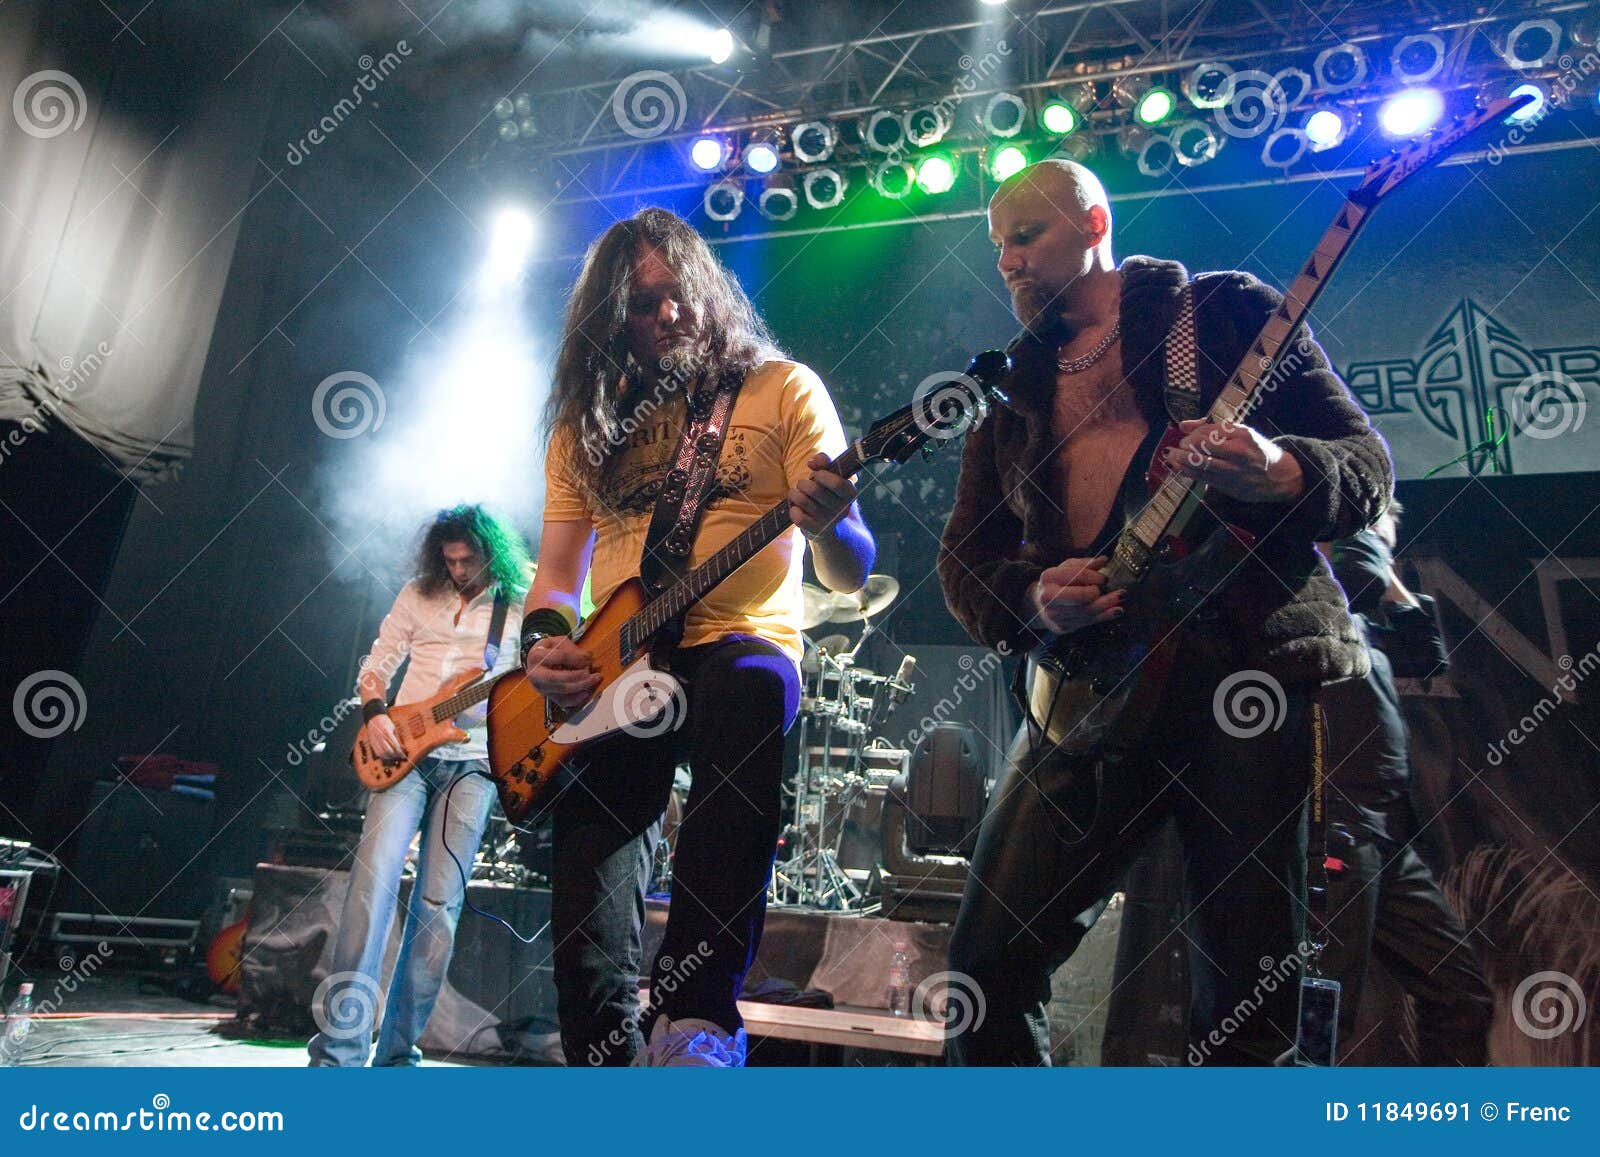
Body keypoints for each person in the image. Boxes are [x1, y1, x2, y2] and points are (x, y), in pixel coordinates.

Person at [937, 159, 1394, 1065]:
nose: (1008, 261)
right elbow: (966, 559)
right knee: (982, 970)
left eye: (1026, 235)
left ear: (1093, 223)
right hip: (1085, 693)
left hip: (1239, 674)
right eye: (997, 246)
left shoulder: (1220, 314)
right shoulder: (1011, 388)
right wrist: (1030, 598)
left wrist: (1282, 469)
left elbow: (1366, 462)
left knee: (1247, 998)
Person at [521, 207, 873, 1066]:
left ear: (708, 288)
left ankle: (696, 1020)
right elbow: (557, 575)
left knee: (749, 687)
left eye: (678, 293)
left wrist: (831, 521)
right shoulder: (586, 424)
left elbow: (849, 571)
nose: (668, 314)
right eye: (642, 305)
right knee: (591, 848)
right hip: (622, 658)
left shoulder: (782, 387)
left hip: (739, 638)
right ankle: (602, 1051)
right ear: (610, 321)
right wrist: (543, 645)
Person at [308, 505, 529, 1067]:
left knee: (437, 910)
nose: (458, 571)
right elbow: (376, 664)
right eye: (449, 560)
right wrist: (375, 715)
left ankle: (398, 1055)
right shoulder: (417, 593)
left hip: (473, 763)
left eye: (468, 560)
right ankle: (336, 1054)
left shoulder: (522, 601)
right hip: (402, 754)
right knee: (370, 891)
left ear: (492, 554)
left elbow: (535, 682)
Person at [1319, 506, 1493, 1063]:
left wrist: (1389, 574)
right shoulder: (1307, 594)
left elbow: (1426, 656)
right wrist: (1363, 537)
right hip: (1336, 824)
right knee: (1321, 1011)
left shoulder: (1361, 617)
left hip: (1387, 833)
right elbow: (1349, 572)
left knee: (1461, 995)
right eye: (1378, 522)